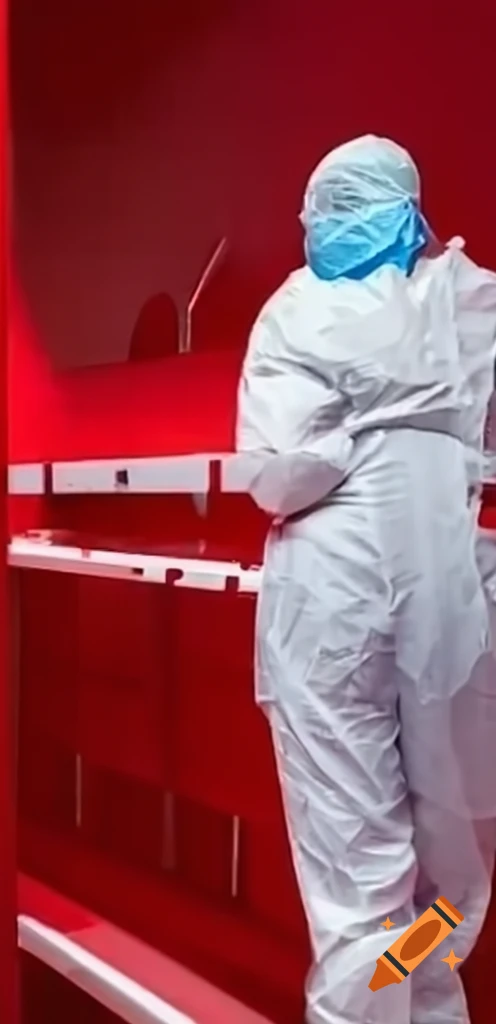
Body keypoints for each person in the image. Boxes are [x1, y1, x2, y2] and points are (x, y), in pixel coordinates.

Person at [236, 135, 496, 1023]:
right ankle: (424, 998)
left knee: (358, 872)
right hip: (448, 607)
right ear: (413, 213)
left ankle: (375, 1007)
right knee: (450, 868)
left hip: (330, 613)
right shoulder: (470, 302)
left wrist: (352, 437)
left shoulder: (294, 310)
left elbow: (279, 475)